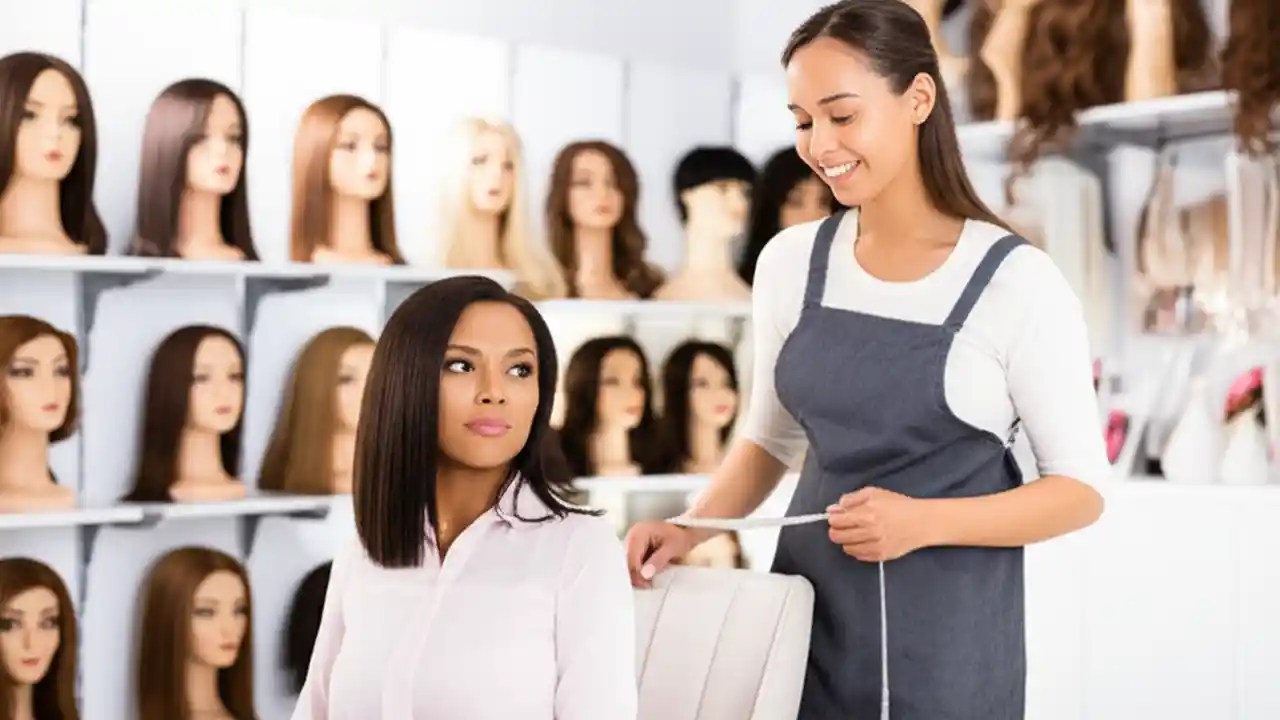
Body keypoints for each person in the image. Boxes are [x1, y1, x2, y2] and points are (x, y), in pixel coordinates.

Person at [624, 2, 1108, 718]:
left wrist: (924, 522)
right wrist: (693, 526)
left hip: (949, 646)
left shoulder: (1016, 282)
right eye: (801, 120)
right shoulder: (792, 262)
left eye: (842, 115)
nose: (819, 144)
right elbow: (771, 439)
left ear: (918, 99)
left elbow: (1079, 491)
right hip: (804, 622)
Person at [293, 276, 637, 719]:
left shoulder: (580, 549)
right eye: (461, 366)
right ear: (407, 380)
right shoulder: (364, 550)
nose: (494, 391)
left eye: (519, 370)